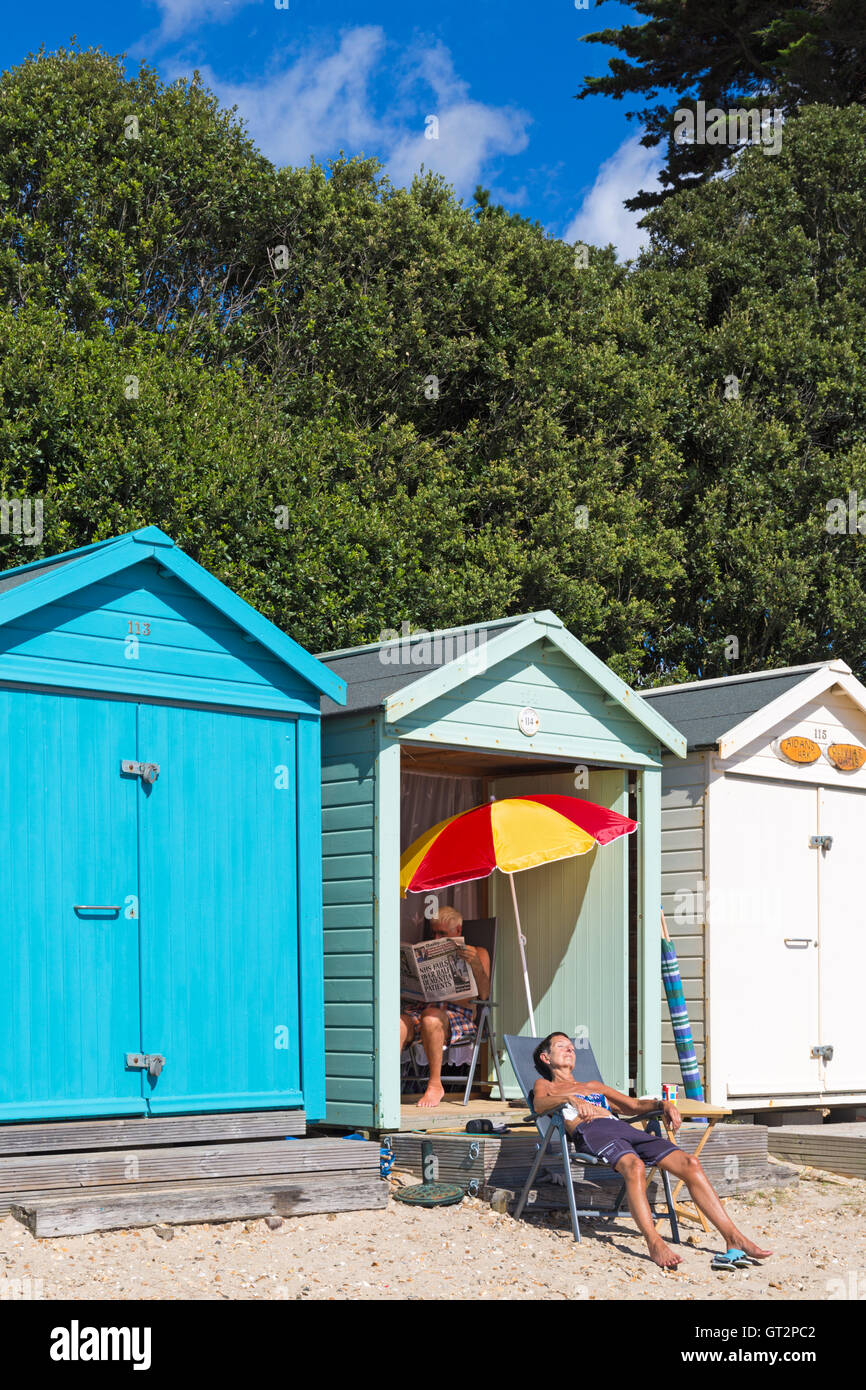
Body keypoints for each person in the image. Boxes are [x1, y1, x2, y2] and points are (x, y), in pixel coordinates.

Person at [532, 1031, 773, 1270]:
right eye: (562, 1046)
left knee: (690, 1163)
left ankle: (733, 1237)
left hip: (621, 1128)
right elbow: (539, 1104)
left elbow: (634, 1105)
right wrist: (570, 1100)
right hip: (593, 1132)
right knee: (634, 1166)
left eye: (572, 1046)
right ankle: (654, 1242)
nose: (570, 1049)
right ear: (546, 1058)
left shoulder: (593, 1086)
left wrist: (662, 1104)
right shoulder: (545, 1085)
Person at [399, 907, 490, 1109]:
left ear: (458, 930)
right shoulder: (425, 950)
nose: (436, 937)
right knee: (397, 1023)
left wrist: (475, 964)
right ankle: (385, 1084)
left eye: (443, 933)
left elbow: (484, 995)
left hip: (457, 1016)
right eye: (435, 932)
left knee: (431, 1018)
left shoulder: (478, 952)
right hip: (421, 1009)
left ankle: (434, 1084)